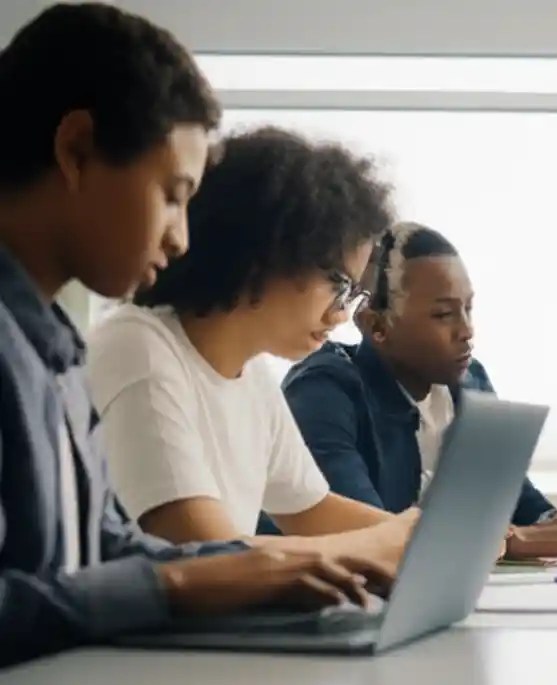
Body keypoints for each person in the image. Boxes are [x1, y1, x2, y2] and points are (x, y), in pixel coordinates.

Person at [0, 3, 391, 669]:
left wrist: (247, 570)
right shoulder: (111, 346)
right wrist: (182, 580)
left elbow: (106, 549)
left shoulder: (53, 351)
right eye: (173, 194)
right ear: (77, 151)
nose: (181, 236)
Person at [86, 126, 420, 566]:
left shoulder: (252, 375)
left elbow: (311, 510)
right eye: (339, 285)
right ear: (266, 255)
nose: (342, 315)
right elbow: (206, 552)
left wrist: (424, 536)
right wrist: (387, 542)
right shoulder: (138, 349)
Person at [284, 222, 557, 558]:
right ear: (377, 326)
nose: (467, 330)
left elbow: (512, 494)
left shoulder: (471, 382)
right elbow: (366, 536)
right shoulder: (322, 392)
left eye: (468, 308)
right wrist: (511, 540)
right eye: (444, 314)